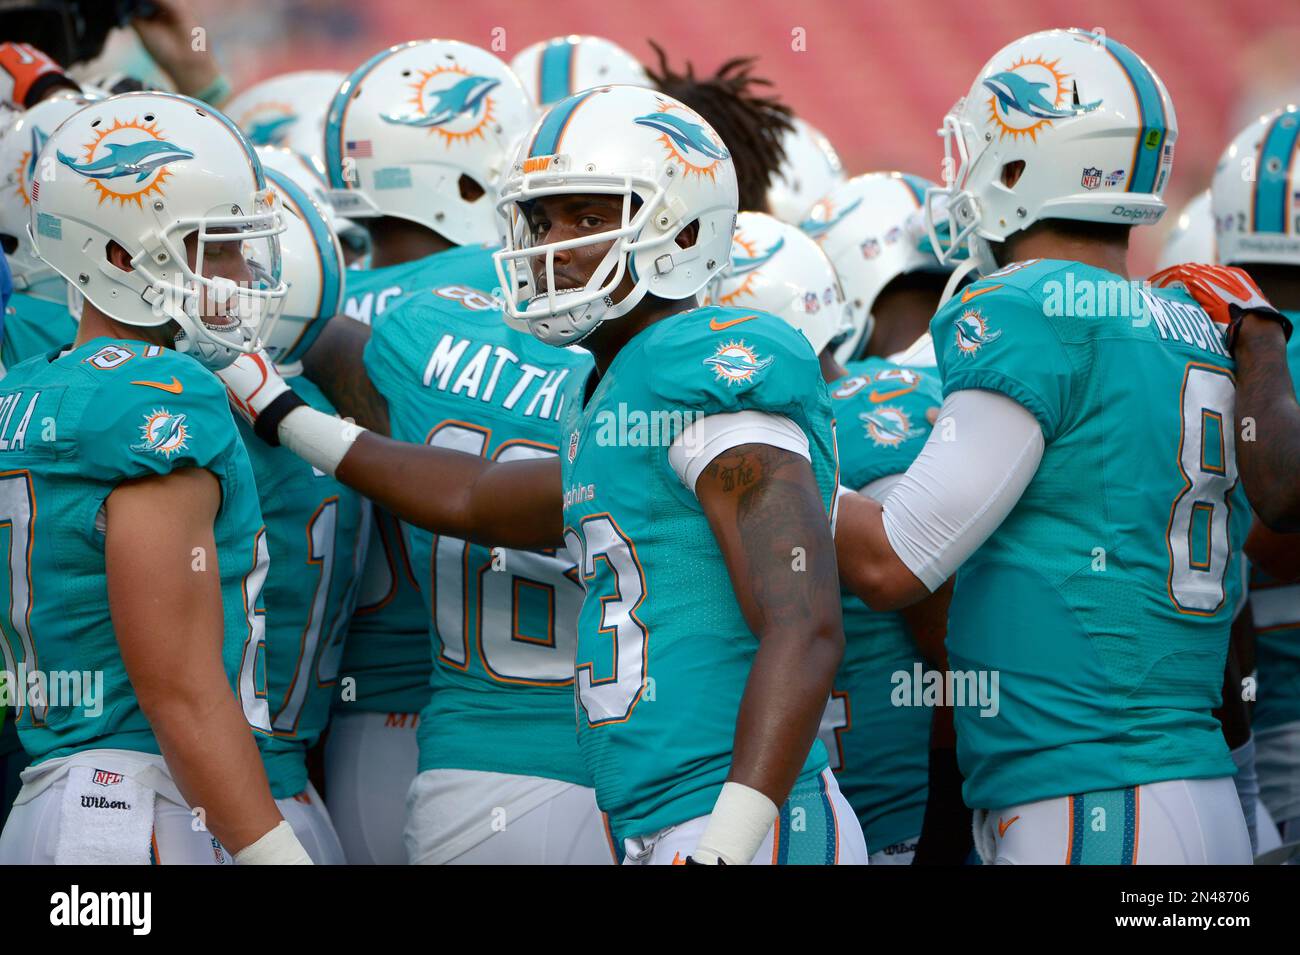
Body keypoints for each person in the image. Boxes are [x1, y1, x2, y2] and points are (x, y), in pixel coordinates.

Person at [221, 85, 867, 865]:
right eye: (545, 218)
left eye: (590, 219)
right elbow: (477, 496)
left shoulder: (711, 368)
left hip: (739, 821)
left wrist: (725, 846)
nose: (553, 243)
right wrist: (285, 412)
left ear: (683, 230)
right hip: (663, 817)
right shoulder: (619, 388)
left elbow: (805, 623)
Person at [835, 28, 1254, 863]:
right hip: (1195, 785)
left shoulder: (1032, 307)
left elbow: (894, 559)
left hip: (1093, 799)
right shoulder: (1189, 324)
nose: (963, 174)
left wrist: (763, 462)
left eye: (982, 145)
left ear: (1027, 165)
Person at [0, 90, 309, 864]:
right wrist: (275, 853)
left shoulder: (26, 387)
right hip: (145, 804)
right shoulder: (161, 395)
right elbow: (177, 688)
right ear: (120, 256)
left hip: (53, 793)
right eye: (218, 244)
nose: (242, 270)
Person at [309, 38, 537, 864]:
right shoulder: (523, 300)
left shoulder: (311, 304)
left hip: (342, 723)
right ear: (477, 172)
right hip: (504, 721)